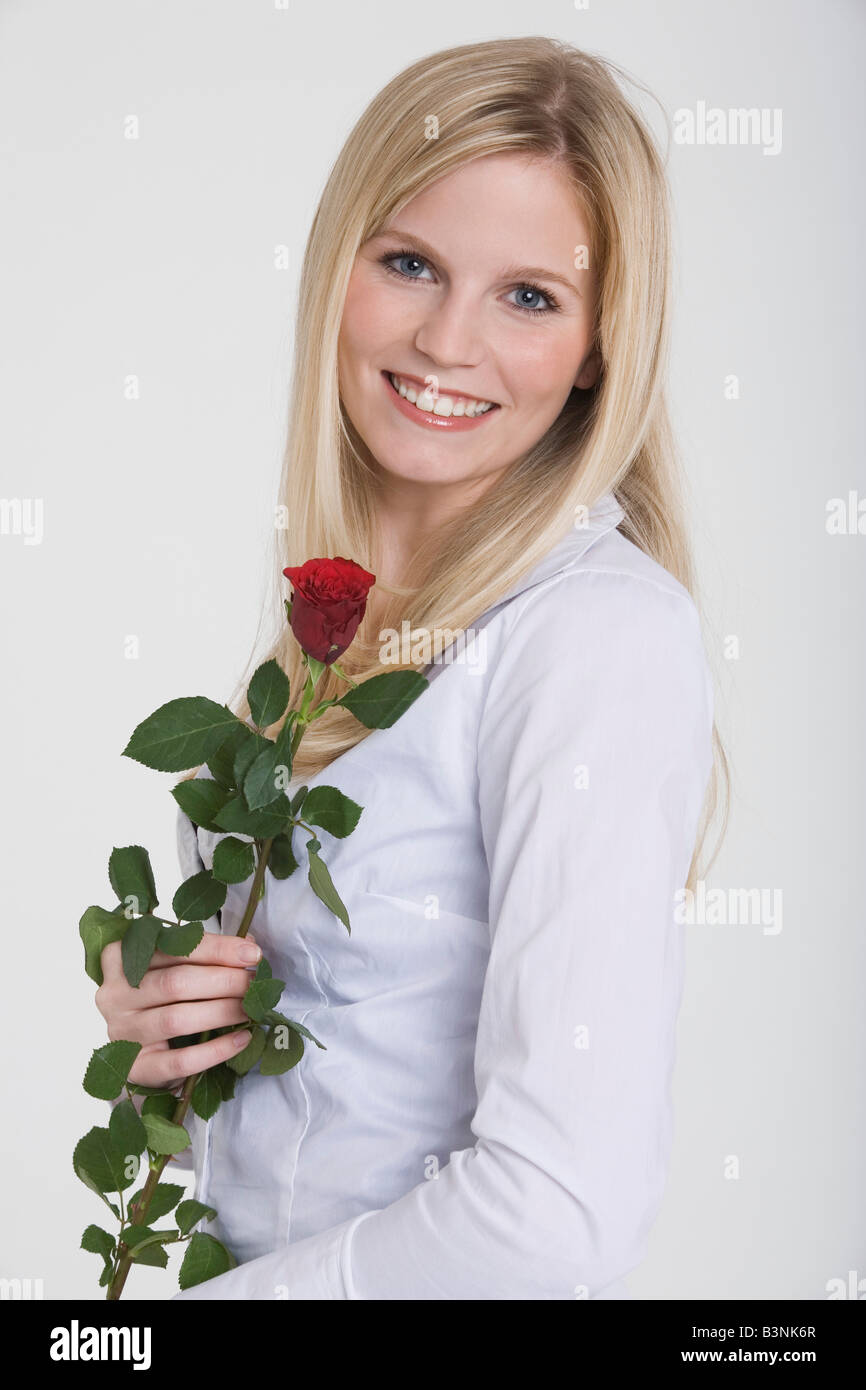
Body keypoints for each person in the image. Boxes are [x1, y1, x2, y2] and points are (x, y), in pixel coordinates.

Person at [96, 36, 727, 1300]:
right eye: (410, 264)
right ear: (339, 265)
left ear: (602, 344)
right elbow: (340, 1046)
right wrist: (159, 996)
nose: (447, 341)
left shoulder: (591, 637)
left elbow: (557, 1213)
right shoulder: (335, 634)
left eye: (529, 296)